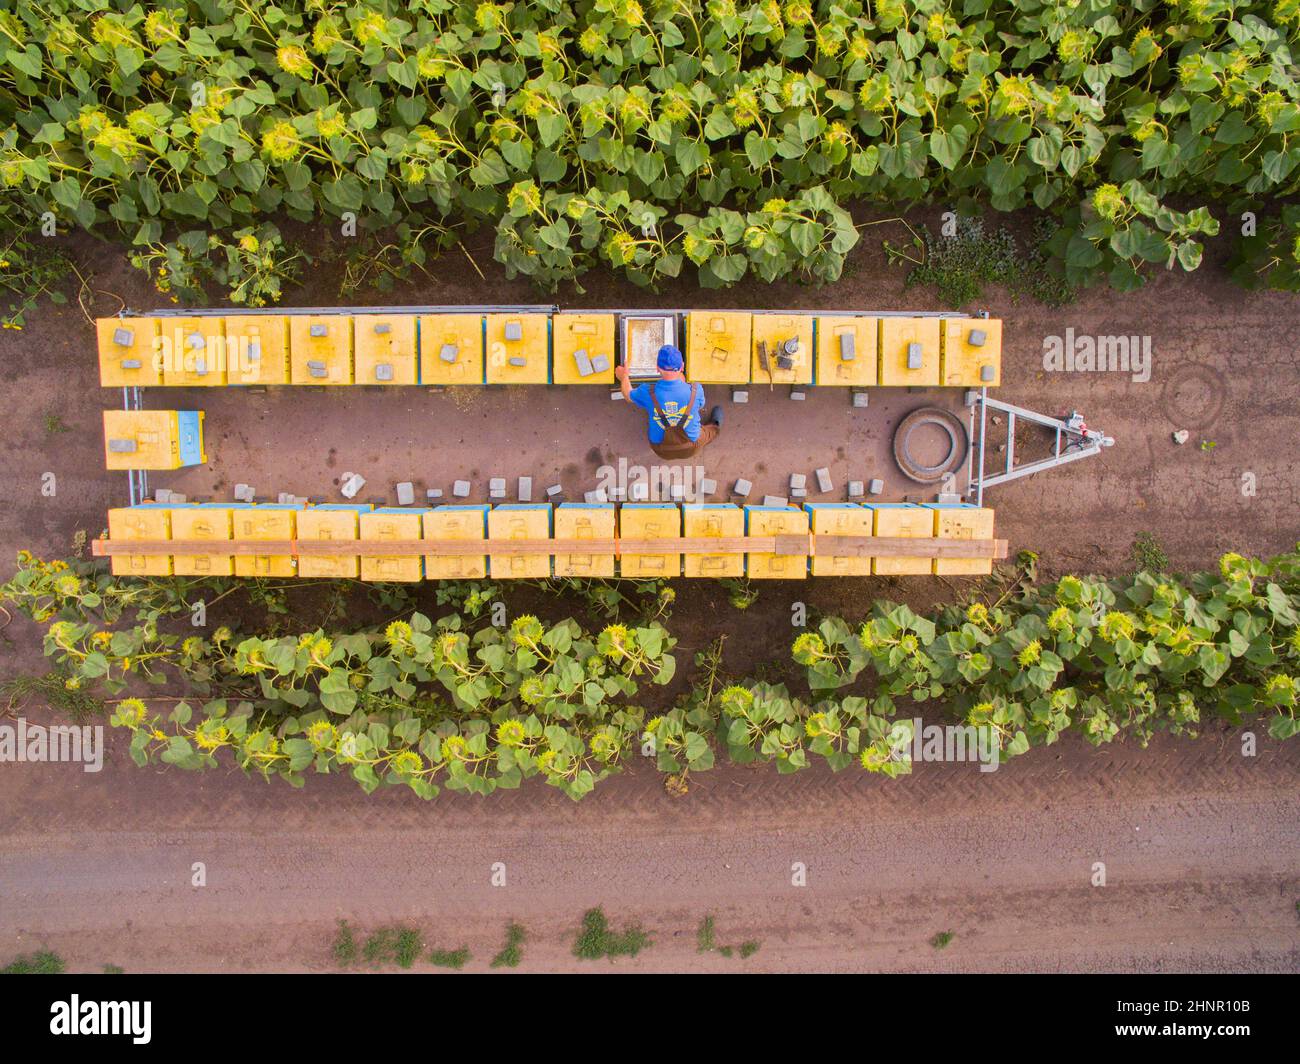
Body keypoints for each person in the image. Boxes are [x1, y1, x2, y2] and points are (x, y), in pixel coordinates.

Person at [615, 344, 724, 460]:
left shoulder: (647, 391)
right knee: (709, 432)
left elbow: (628, 395)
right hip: (691, 447)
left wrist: (624, 377)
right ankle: (715, 425)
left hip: (661, 450)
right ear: (682, 366)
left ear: (657, 368)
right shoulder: (695, 390)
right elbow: (700, 405)